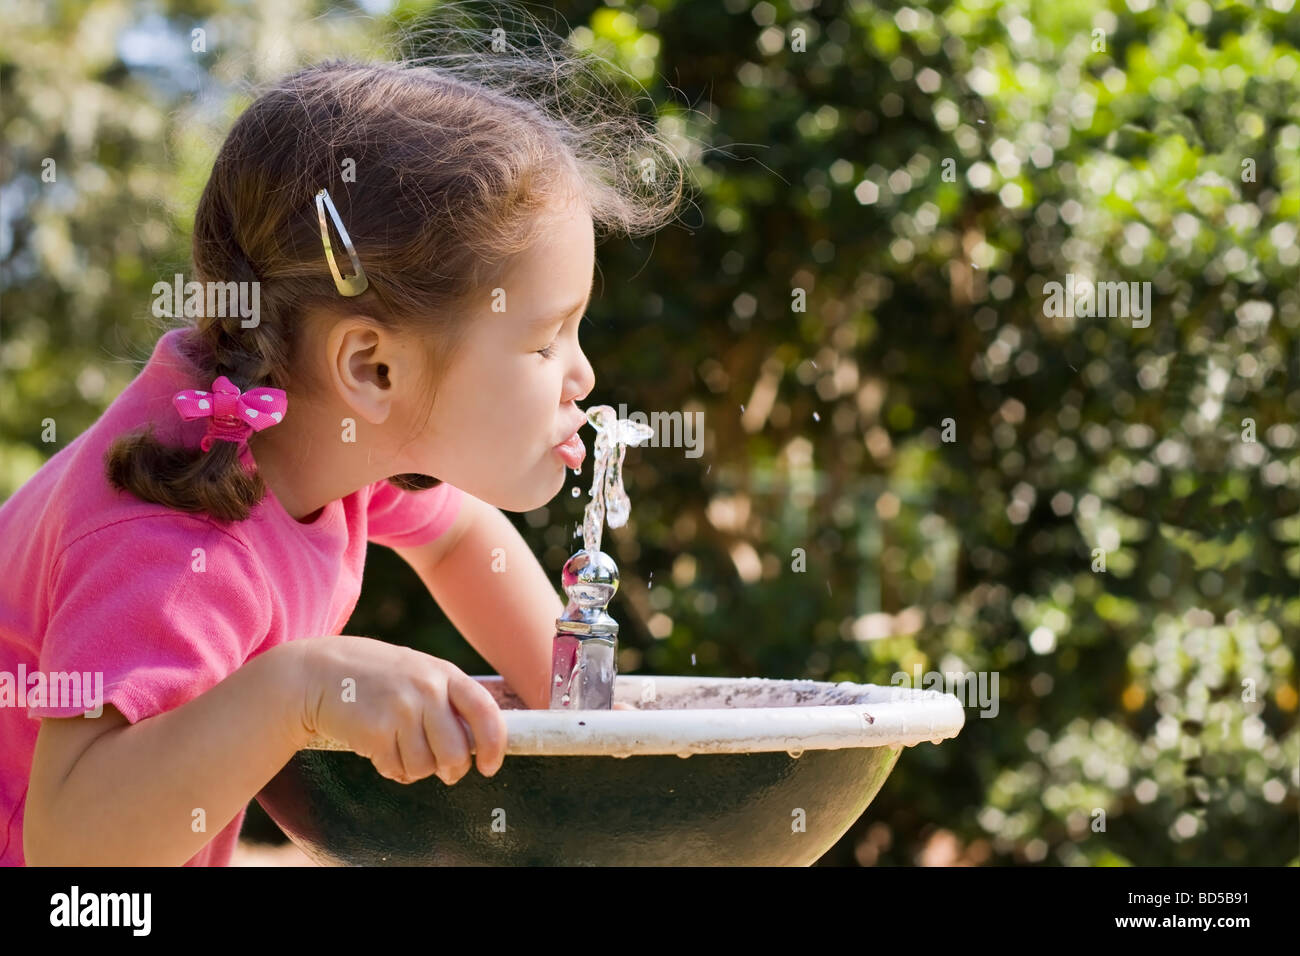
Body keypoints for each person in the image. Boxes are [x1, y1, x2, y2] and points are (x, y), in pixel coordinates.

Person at [0, 39, 684, 866]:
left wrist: (586, 726)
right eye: (545, 342)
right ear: (372, 366)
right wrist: (303, 689)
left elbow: (461, 538)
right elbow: (71, 850)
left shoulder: (315, 429)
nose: (584, 374)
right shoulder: (176, 547)